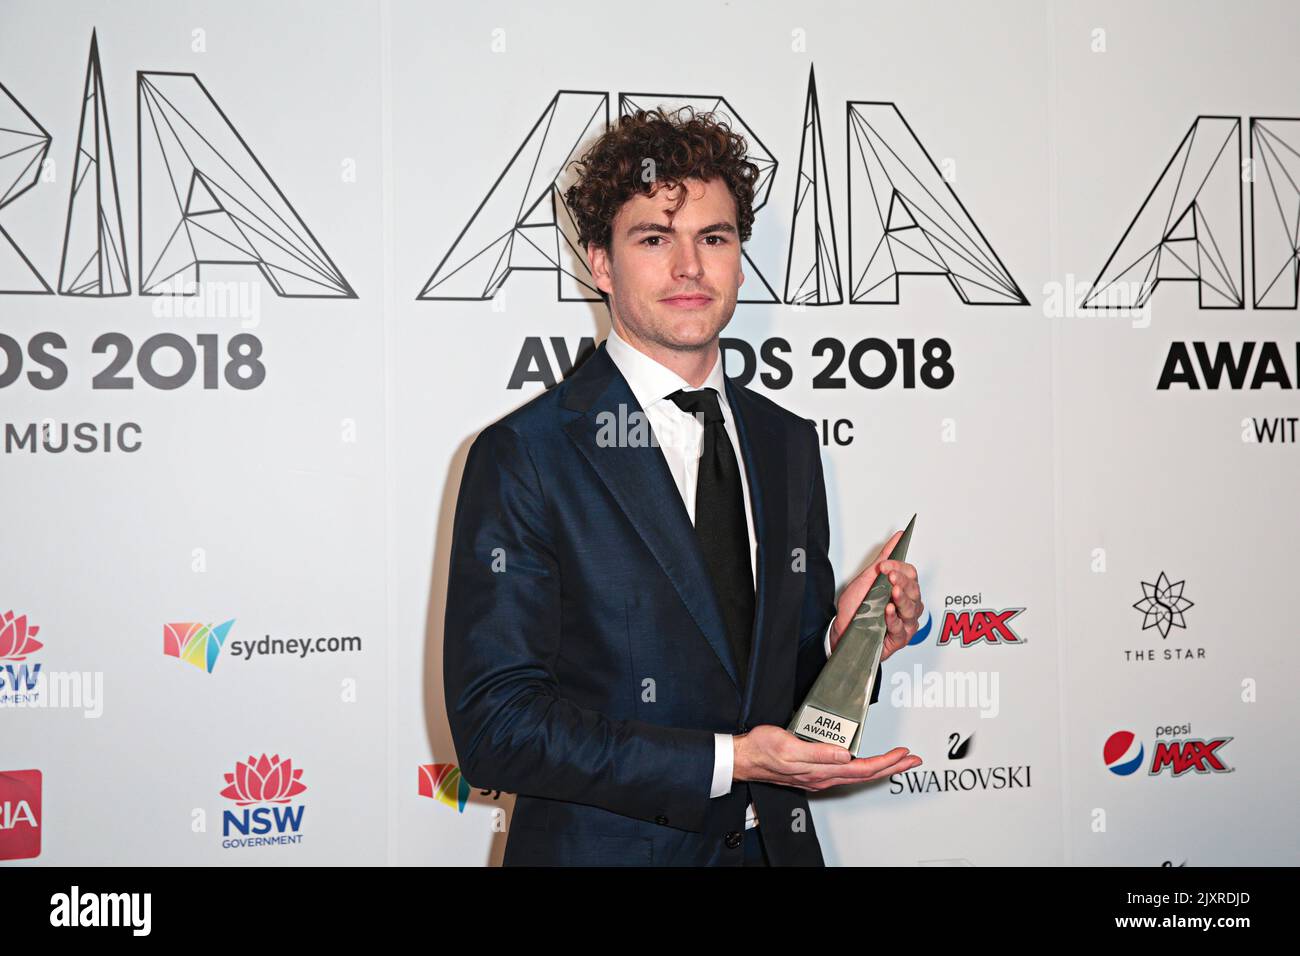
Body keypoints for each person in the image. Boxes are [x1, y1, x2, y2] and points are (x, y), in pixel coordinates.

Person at [443, 106, 924, 866]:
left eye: (713, 238)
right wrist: (730, 762)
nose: (689, 267)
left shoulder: (786, 441)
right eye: (654, 239)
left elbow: (775, 688)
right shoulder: (525, 455)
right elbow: (497, 730)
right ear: (600, 265)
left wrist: (847, 639)